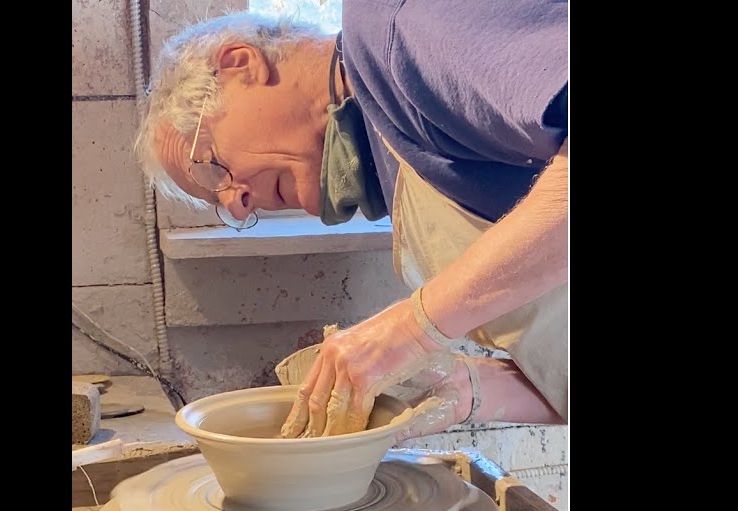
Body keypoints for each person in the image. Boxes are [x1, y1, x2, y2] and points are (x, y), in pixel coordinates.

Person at [134, 0, 567, 440]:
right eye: (219, 203)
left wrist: (410, 329)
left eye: (209, 168)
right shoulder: (393, 164)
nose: (238, 205)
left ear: (241, 65)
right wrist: (468, 388)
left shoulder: (404, 28)